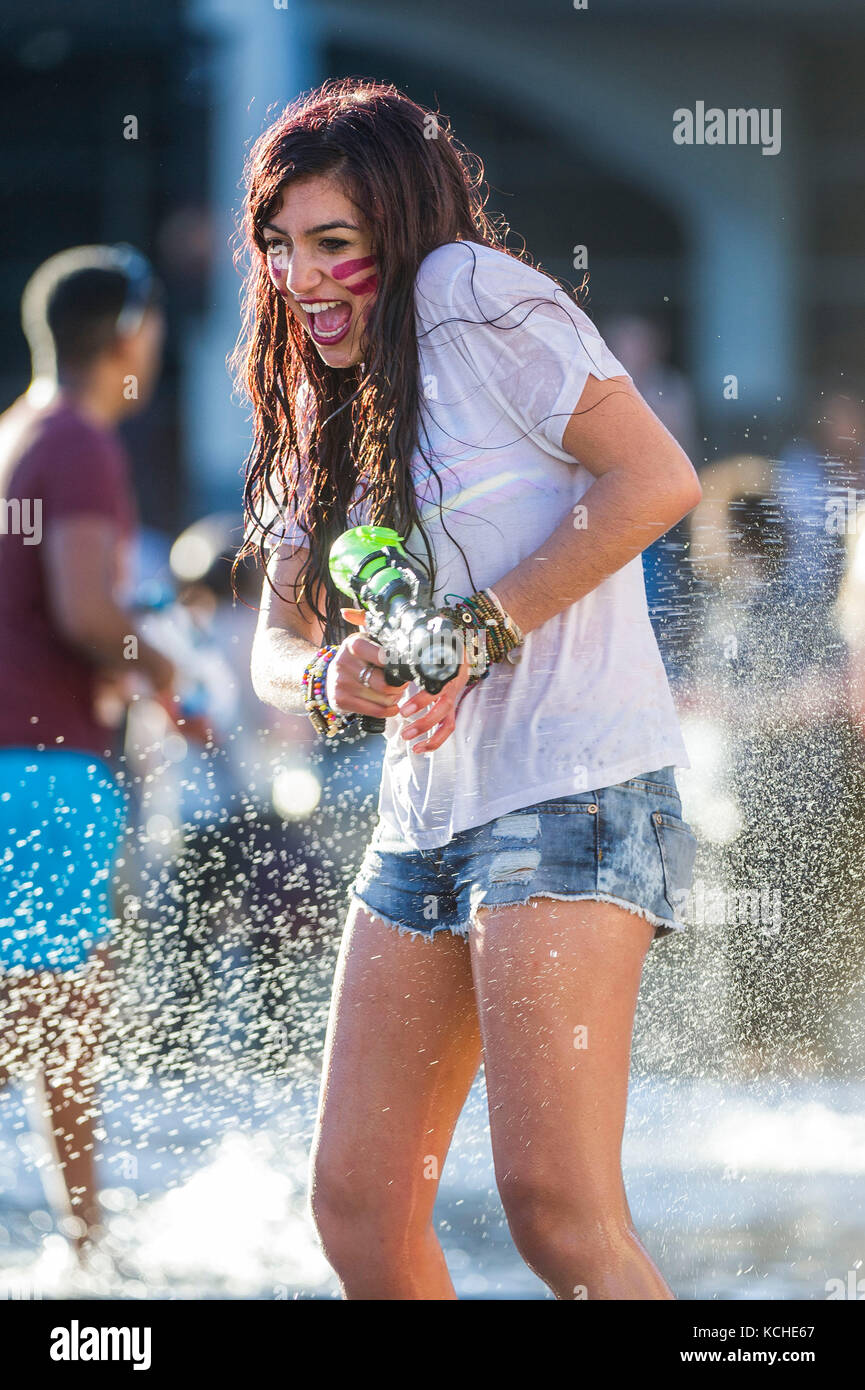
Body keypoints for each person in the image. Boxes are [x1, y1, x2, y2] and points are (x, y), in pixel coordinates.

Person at [239, 79, 701, 1301]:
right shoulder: (315, 389)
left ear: (400, 228)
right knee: (357, 1208)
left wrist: (481, 629)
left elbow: (656, 480)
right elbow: (272, 643)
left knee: (553, 1209)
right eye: (282, 247)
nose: (305, 277)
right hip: (423, 818)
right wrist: (332, 672)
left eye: (336, 244)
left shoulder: (469, 296)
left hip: (573, 784)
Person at [0, 243, 173, 1266]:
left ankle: (88, 1246)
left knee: (59, 1022)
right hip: (45, 770)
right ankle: (89, 1243)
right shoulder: (79, 443)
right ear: (127, 334)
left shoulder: (18, 432)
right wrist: (166, 677)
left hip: (24, 762)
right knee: (44, 1018)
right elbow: (81, 610)